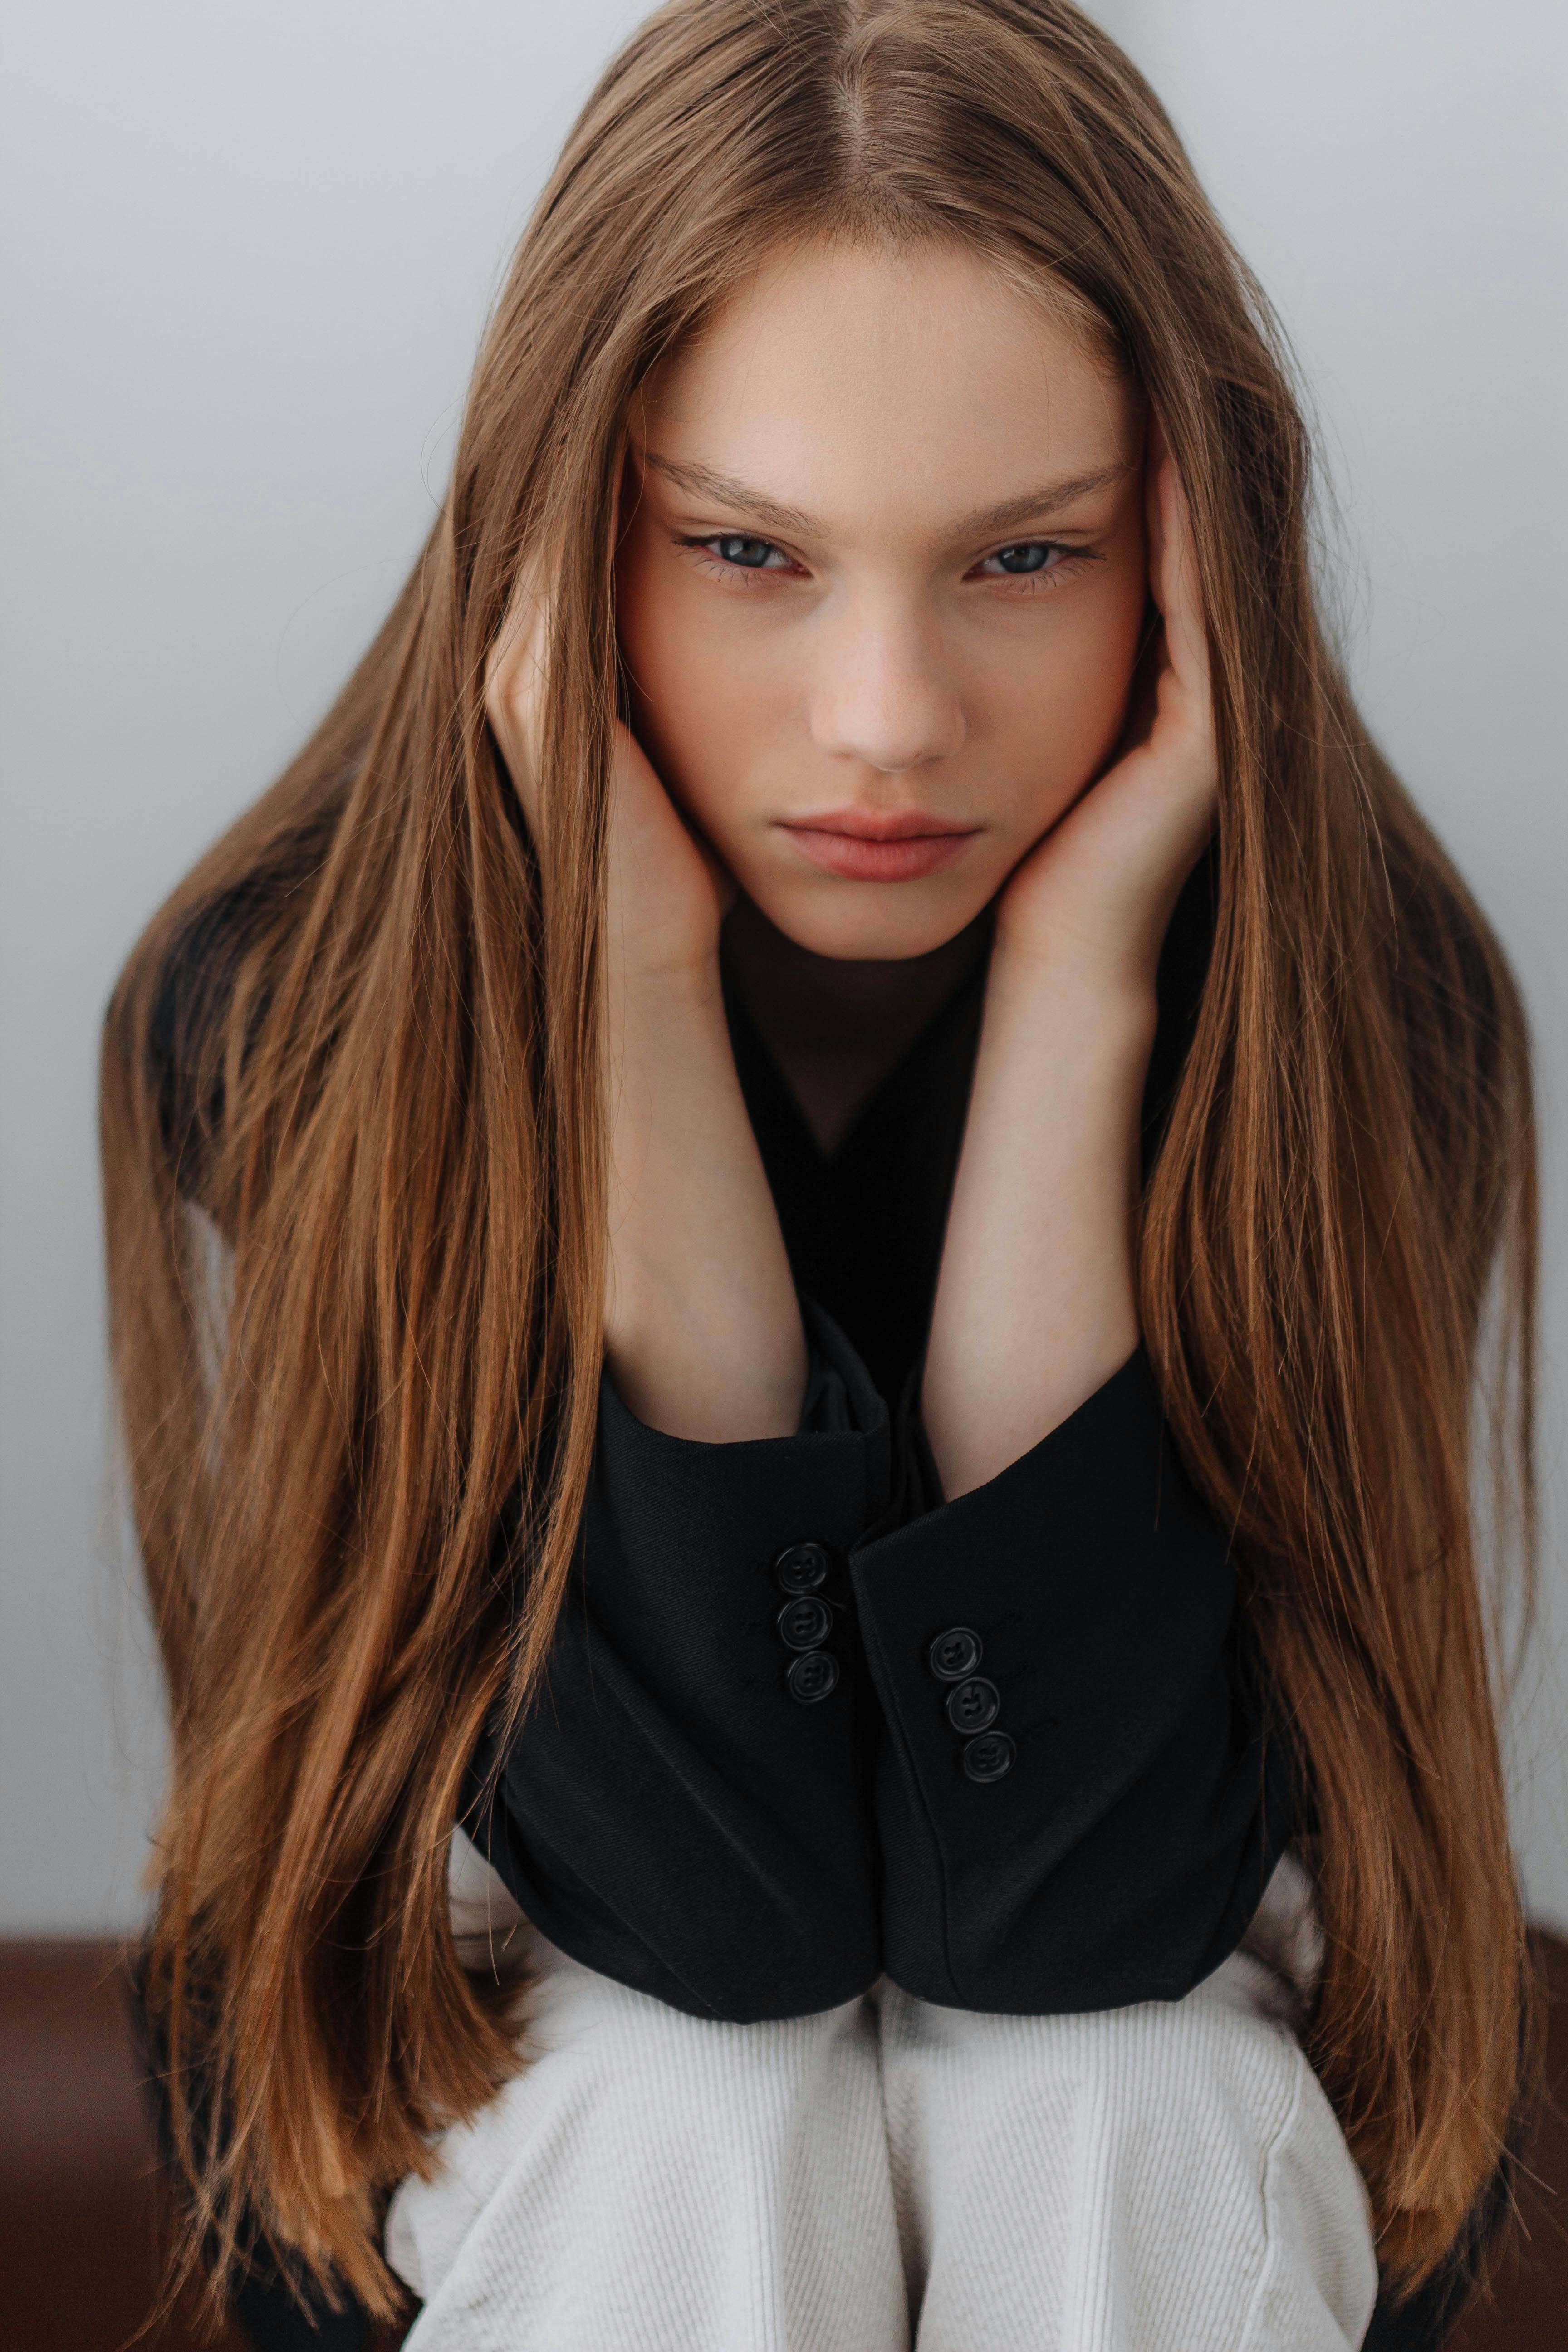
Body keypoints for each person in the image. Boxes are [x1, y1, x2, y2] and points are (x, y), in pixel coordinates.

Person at [102, 3, 1535, 2347]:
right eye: (749, 548)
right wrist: (633, 1007)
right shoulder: (292, 1021)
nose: (884, 716)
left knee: (1116, 2096)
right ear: (563, 542)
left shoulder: (1363, 1014)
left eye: (1026, 557)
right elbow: (705, 1920)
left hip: (1177, 2140)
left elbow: (1096, 1918)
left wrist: (1083, 1004)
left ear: (1193, 564)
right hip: (498, 2147)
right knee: (698, 2100)